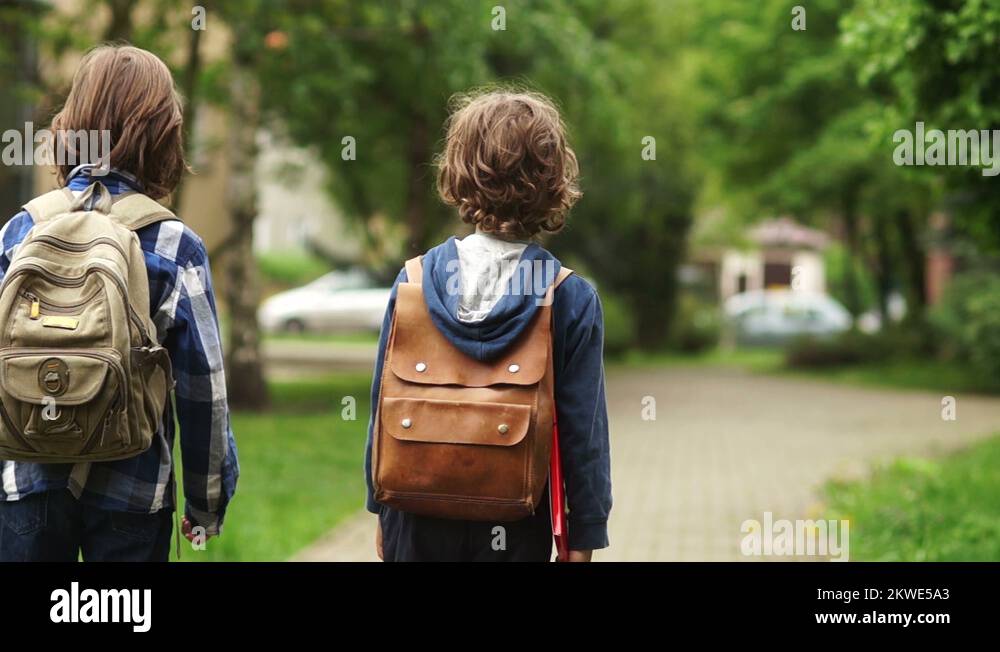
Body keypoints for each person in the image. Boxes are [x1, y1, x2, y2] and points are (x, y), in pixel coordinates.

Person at [0, 44, 238, 562]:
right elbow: (204, 392)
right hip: (133, 493)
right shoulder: (175, 244)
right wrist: (206, 503)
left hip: (27, 481)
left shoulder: (20, 230)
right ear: (164, 136)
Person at [365, 89, 612, 561]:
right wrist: (585, 532)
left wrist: (380, 507)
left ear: (461, 172)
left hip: (416, 512)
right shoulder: (568, 296)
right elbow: (584, 432)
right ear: (553, 180)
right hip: (516, 522)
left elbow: (382, 401)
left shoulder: (414, 279)